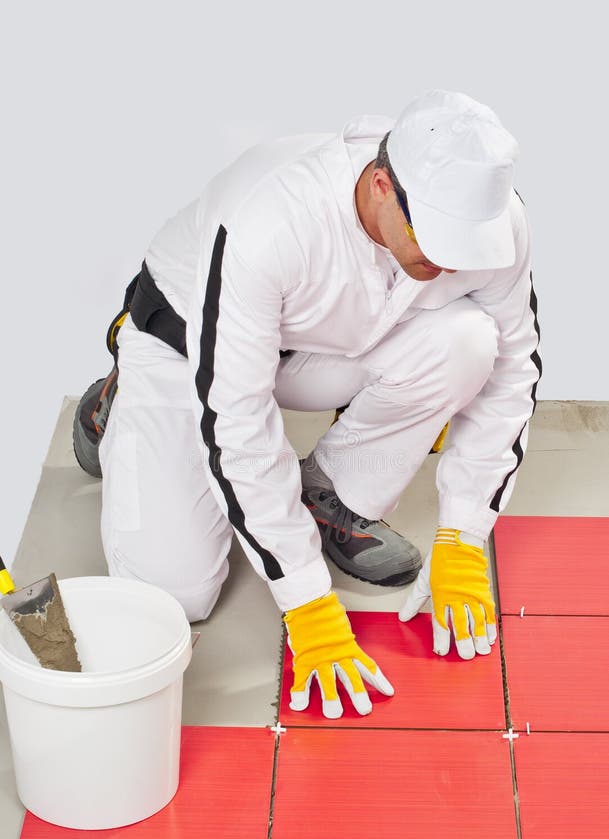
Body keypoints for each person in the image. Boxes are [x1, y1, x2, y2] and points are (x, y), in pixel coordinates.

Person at [93, 89, 541, 720]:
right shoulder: (271, 218)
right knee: (177, 591)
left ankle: (332, 498)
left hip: (317, 344)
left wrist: (465, 531)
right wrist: (306, 599)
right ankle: (116, 400)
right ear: (382, 185)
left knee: (470, 341)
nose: (446, 264)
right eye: (434, 240)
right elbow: (239, 422)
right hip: (187, 347)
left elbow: (513, 368)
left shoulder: (494, 227)